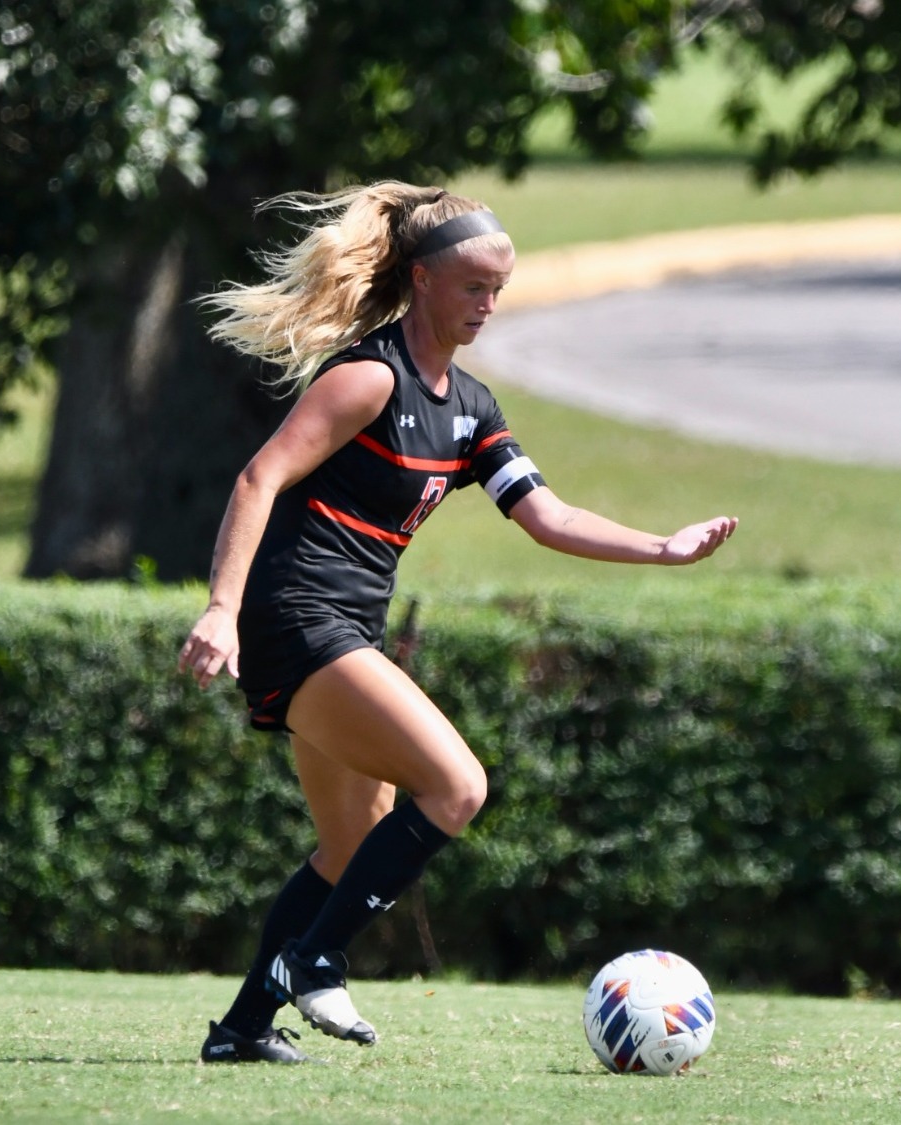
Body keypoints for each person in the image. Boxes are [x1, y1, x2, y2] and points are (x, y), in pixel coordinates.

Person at [179, 181, 738, 1064]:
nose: (487, 305)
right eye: (473, 286)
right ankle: (318, 956)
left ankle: (244, 1027)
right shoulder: (369, 376)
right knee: (457, 787)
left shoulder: (471, 407)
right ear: (423, 279)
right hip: (294, 614)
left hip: (346, 626)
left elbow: (547, 516)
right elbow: (258, 479)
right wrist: (221, 609)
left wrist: (660, 549)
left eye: (498, 290)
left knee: (351, 842)